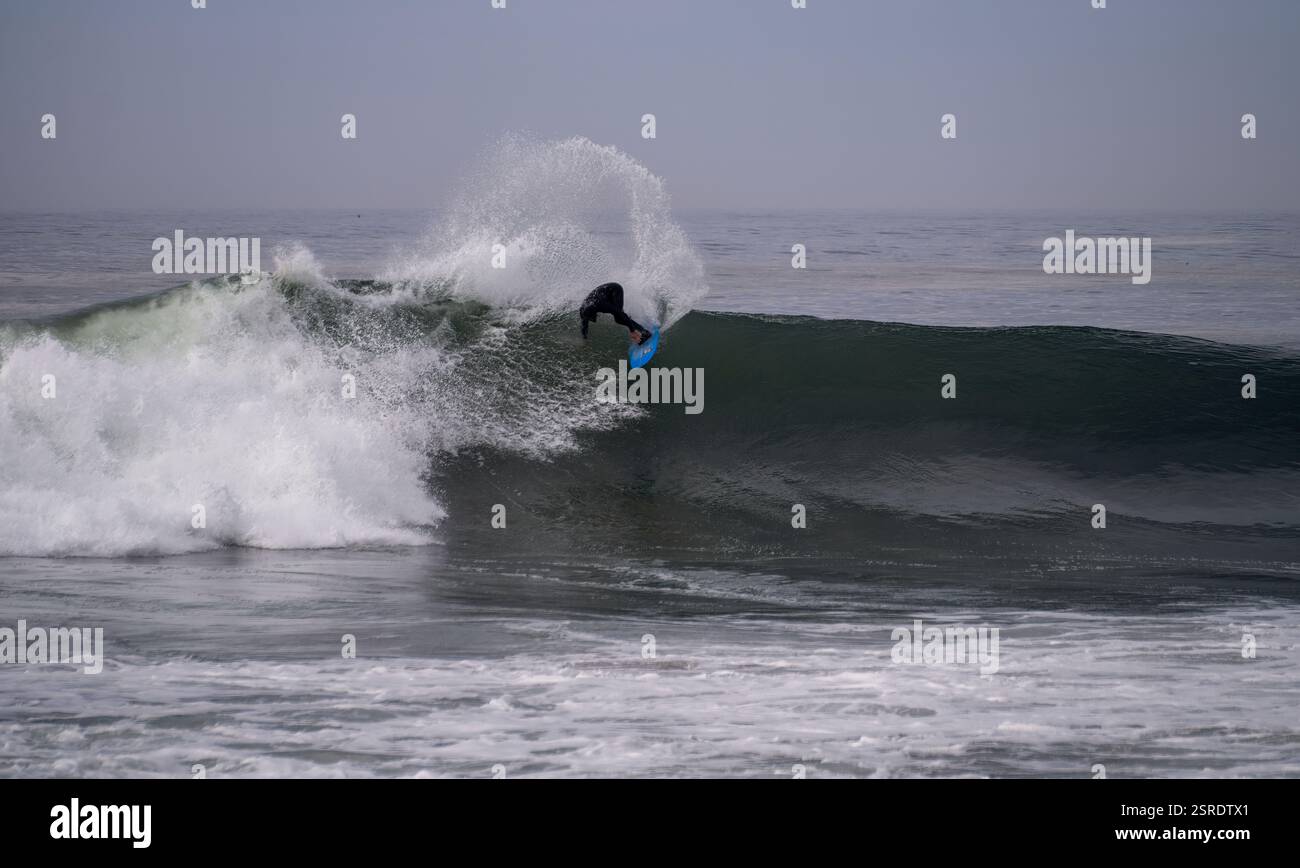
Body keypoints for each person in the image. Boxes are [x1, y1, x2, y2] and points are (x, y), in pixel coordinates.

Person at [579, 282, 649, 344]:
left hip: (615, 290)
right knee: (620, 317)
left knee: (619, 318)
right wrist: (584, 339)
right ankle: (631, 322)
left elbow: (619, 312)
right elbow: (584, 325)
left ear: (592, 312)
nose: (592, 319)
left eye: (591, 318)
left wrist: (632, 331)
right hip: (606, 294)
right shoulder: (584, 311)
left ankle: (644, 332)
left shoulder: (600, 305)